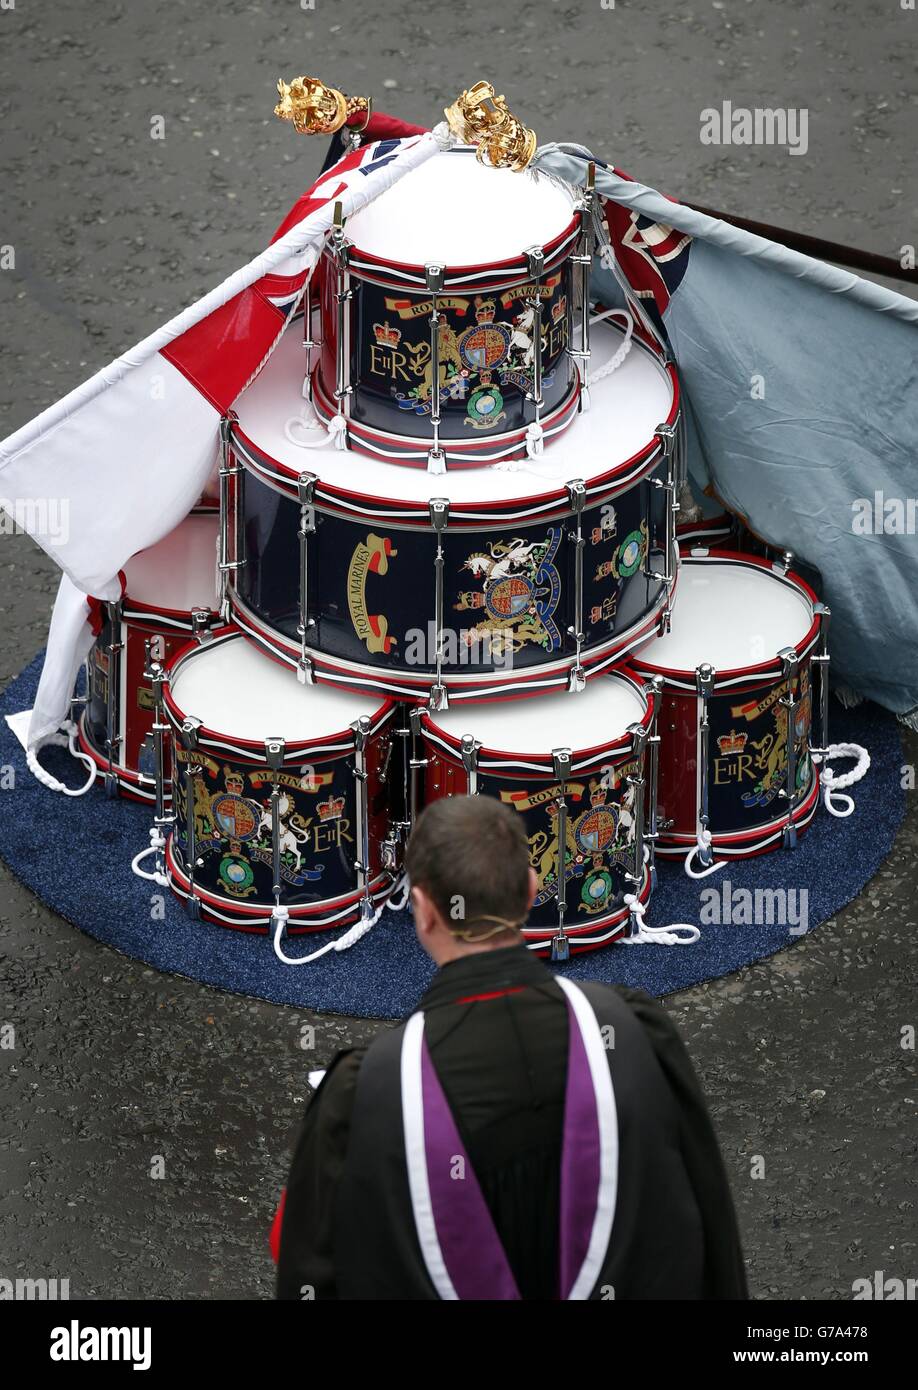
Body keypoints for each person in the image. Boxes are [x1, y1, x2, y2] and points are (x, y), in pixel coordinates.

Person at [273, 796, 747, 1300]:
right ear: (530, 891)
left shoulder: (369, 1092)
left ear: (425, 912)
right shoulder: (629, 1035)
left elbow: (304, 1262)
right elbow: (713, 1240)